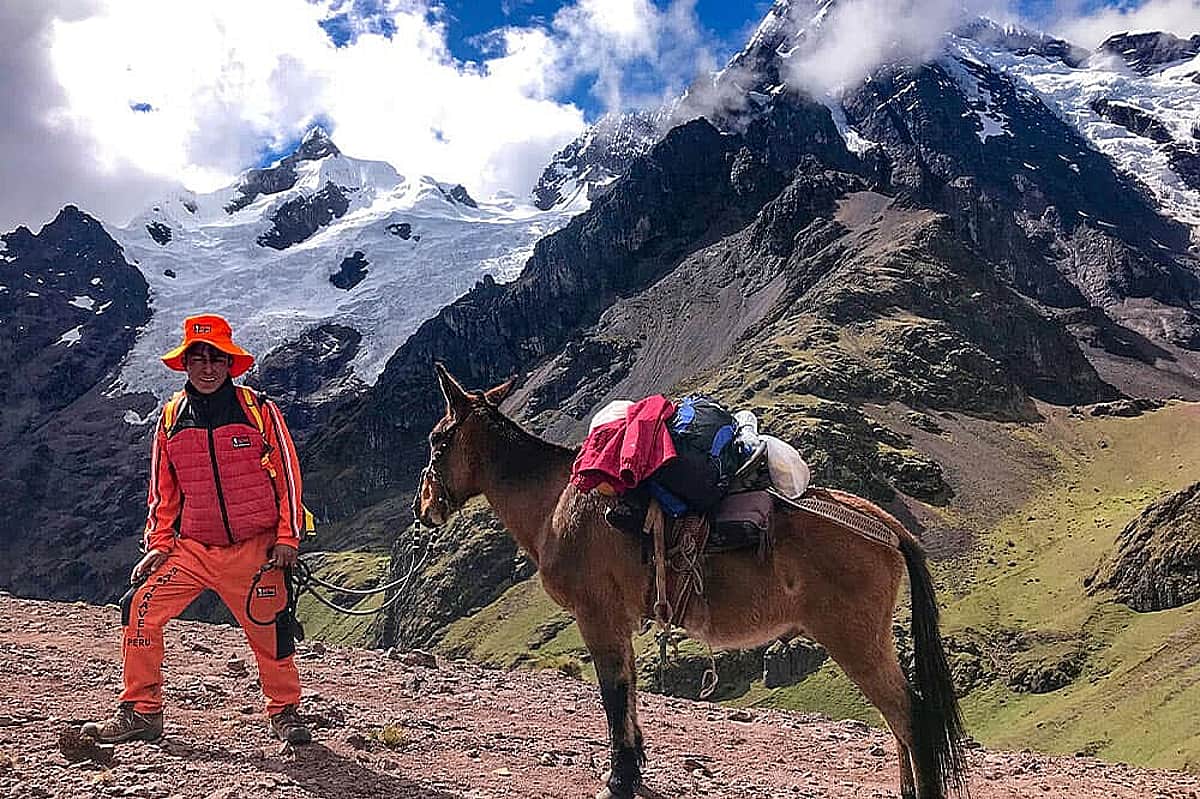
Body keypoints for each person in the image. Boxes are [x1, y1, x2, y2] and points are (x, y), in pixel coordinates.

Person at [82, 313, 311, 745]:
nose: (208, 368)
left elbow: (289, 477)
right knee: (139, 609)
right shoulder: (170, 418)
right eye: (198, 358)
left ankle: (285, 712)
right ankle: (141, 712)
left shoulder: (258, 411)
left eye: (217, 359)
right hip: (192, 550)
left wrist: (287, 537)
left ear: (230, 364)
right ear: (185, 363)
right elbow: (162, 490)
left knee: (272, 631)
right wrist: (158, 544)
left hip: (254, 550)